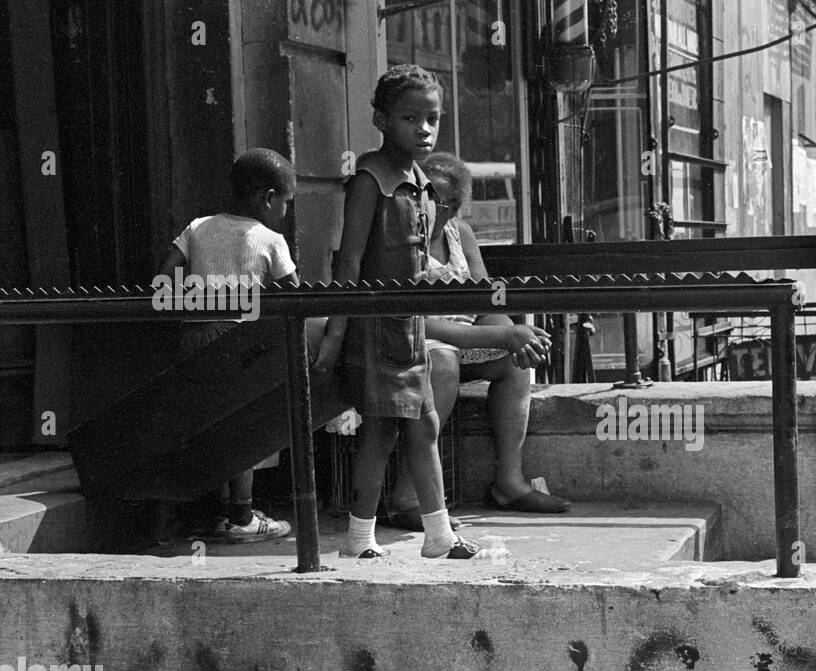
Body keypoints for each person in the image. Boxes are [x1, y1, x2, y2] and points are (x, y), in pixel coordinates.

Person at [313, 65, 549, 559]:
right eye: (409, 117)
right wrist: (336, 333)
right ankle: (363, 539)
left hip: (411, 327)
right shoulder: (369, 180)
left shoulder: (421, 182)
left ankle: (436, 537)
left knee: (421, 425)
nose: (423, 129)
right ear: (381, 119)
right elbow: (351, 260)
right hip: (377, 329)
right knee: (382, 432)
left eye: (432, 119)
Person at [384, 152, 571, 531]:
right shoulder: (401, 238)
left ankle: (509, 482)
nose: (429, 206)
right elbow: (418, 322)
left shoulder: (460, 234)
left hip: (464, 336)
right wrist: (500, 333)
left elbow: (484, 296)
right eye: (424, 195)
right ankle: (407, 496)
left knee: (515, 364)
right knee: (445, 363)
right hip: (413, 341)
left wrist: (508, 330)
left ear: (454, 208)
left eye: (440, 201)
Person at [158, 148, 298, 543]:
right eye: (286, 203)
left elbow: (165, 276)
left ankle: (210, 513)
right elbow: (295, 296)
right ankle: (241, 516)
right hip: (238, 340)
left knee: (207, 422)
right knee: (244, 424)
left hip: (194, 335)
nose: (285, 212)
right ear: (269, 198)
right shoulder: (270, 240)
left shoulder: (198, 226)